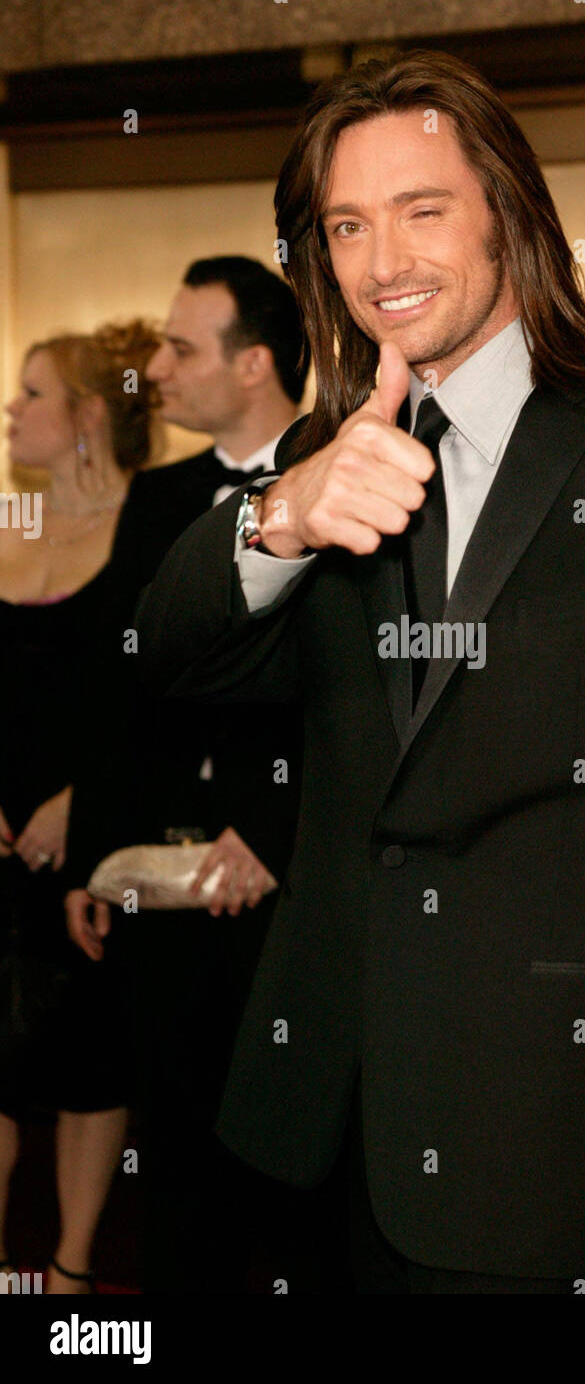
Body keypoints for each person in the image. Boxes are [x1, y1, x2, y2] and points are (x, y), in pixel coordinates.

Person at [134, 52, 585, 1293]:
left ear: (511, 216)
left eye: (422, 210)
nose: (382, 263)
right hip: (326, 1130)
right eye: (347, 225)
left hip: (576, 1145)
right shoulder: (329, 455)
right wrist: (280, 516)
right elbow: (163, 651)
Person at [64, 257, 310, 1293]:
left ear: (252, 364)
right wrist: (91, 858)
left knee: (288, 1170)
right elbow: (121, 689)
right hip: (158, 886)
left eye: (179, 347)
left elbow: (356, 694)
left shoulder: (348, 467)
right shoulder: (160, 495)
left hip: (287, 894)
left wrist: (268, 827)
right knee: (172, 1161)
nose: (153, 369)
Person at [0, 320, 160, 1293]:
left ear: (89, 415)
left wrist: (88, 803)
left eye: (31, 392)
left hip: (98, 838)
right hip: (0, 838)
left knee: (90, 1060)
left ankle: (69, 1269)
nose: (11, 410)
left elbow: (165, 699)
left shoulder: (150, 527)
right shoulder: (6, 523)